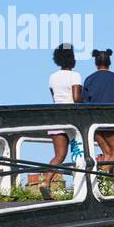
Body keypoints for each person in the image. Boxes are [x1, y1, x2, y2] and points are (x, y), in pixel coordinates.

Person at [44, 43, 83, 199]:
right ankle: (81, 186)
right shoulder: (75, 76)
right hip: (72, 120)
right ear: (72, 60)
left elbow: (54, 97)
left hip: (56, 117)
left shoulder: (52, 77)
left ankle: (46, 182)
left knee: (59, 156)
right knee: (79, 153)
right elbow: (76, 99)